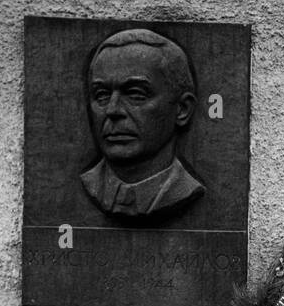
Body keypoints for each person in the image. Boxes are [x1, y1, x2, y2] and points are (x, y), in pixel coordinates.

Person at [81, 28, 205, 220]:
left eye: (135, 94)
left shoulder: (186, 191)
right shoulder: (87, 185)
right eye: (102, 95)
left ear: (182, 109)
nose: (113, 110)